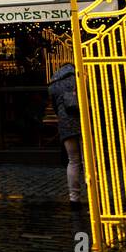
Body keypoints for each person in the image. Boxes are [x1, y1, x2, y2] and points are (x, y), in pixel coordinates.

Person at [49, 61, 83, 208]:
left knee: (73, 160)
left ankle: (73, 198)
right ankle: (94, 195)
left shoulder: (53, 84)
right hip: (82, 122)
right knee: (88, 161)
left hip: (65, 125)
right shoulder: (79, 77)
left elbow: (56, 107)